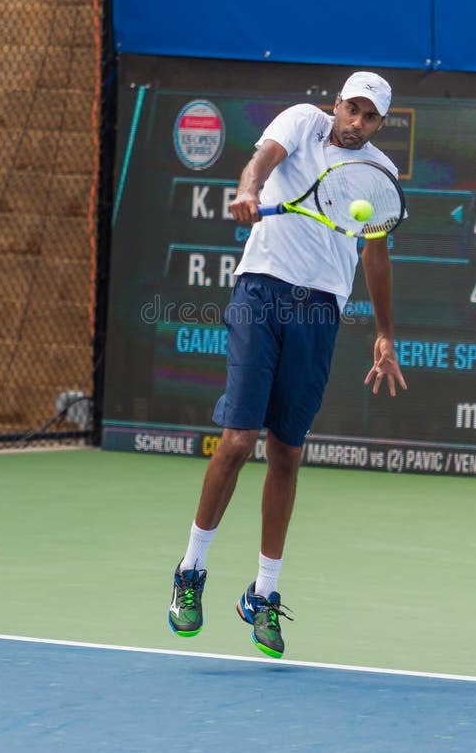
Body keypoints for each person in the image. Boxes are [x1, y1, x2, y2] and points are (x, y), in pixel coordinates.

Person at [168, 71, 407, 658]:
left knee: (287, 452)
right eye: (353, 109)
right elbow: (263, 161)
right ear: (337, 104)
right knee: (237, 439)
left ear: (380, 123)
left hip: (321, 308)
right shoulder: (300, 123)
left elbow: (374, 254)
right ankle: (191, 571)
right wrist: (249, 187)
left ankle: (264, 594)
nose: (357, 122)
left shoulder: (379, 174)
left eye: (370, 116)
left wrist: (384, 333)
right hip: (260, 291)